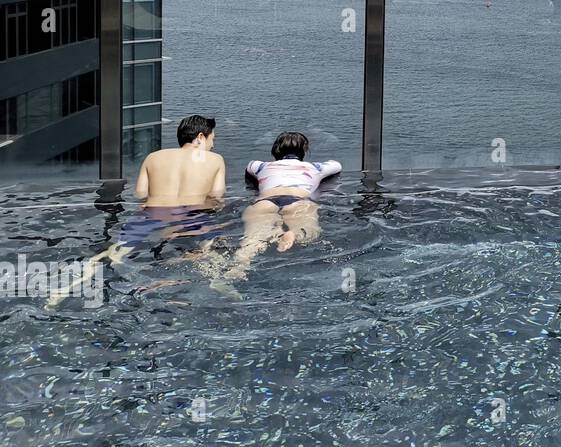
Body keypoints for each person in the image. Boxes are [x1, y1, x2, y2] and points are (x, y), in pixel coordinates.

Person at [48, 115, 226, 306]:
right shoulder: (215, 160)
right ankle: (217, 281)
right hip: (192, 215)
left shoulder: (153, 157)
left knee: (113, 253)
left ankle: (65, 289)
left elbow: (140, 193)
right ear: (200, 136)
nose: (212, 145)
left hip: (153, 214)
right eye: (212, 139)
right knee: (213, 250)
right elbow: (216, 197)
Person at [226, 131, 341, 280]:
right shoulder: (314, 168)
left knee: (251, 241)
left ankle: (238, 268)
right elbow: (336, 165)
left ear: (275, 151)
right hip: (298, 200)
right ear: (303, 151)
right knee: (309, 232)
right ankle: (294, 234)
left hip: (265, 201)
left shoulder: (261, 166)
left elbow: (250, 166)